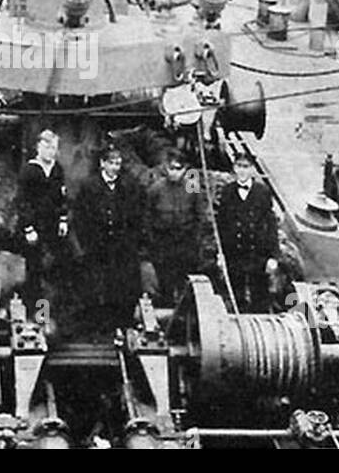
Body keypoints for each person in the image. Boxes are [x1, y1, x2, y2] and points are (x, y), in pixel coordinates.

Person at [71, 146, 145, 331]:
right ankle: (96, 324)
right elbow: (80, 217)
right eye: (111, 163)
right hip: (97, 243)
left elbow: (137, 214)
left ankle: (120, 323)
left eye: (118, 163)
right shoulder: (89, 186)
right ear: (102, 164)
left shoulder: (129, 185)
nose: (115, 167)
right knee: (96, 283)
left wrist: (132, 238)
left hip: (121, 244)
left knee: (121, 282)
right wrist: (86, 242)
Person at [208, 153, 279, 312]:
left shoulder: (263, 192)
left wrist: (273, 257)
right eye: (239, 166)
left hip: (257, 253)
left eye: (246, 167)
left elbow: (271, 225)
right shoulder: (227, 191)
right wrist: (220, 254)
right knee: (235, 295)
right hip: (235, 254)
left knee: (259, 295)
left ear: (252, 169)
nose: (242, 171)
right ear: (234, 168)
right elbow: (221, 225)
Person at [143, 147, 205, 306]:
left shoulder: (191, 185)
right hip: (163, 244)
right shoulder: (156, 189)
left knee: (185, 282)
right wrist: (153, 242)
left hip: (186, 243)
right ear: (165, 168)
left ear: (185, 170)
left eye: (178, 169)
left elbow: (199, 214)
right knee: (165, 283)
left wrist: (196, 241)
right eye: (171, 168)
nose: (174, 173)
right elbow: (147, 218)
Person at [16, 130, 68, 309]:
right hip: (34, 227)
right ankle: (38, 314)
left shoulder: (57, 169)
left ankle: (58, 314)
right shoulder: (29, 170)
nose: (50, 151)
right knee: (35, 270)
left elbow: (62, 197)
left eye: (54, 147)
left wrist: (62, 219)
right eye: (47, 147)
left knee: (57, 267)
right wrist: (29, 228)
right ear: (38, 147)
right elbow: (22, 202)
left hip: (52, 225)